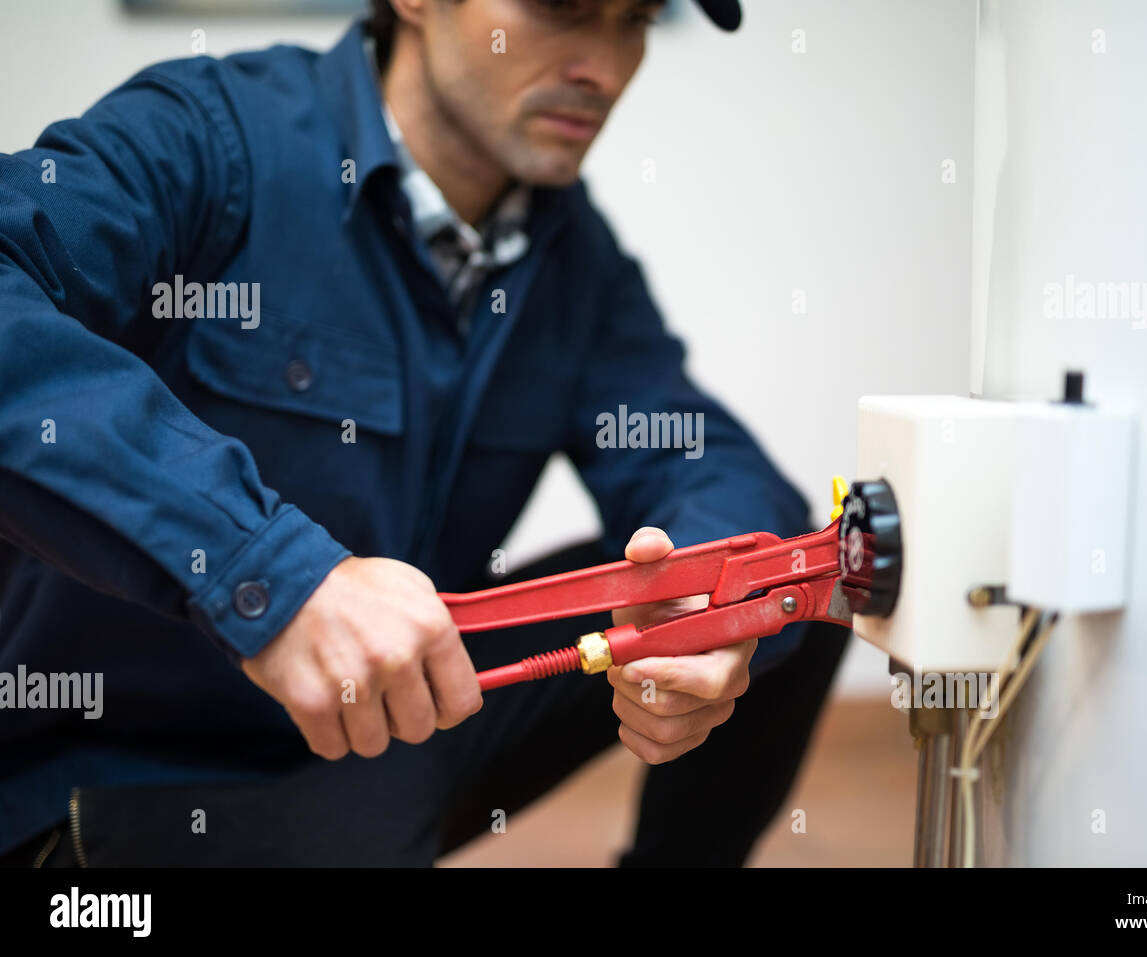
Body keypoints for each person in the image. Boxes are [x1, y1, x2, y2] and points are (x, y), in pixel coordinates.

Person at [0, 0, 848, 866]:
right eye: (564, 8)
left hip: (375, 749)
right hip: (101, 795)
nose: (604, 65)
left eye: (635, 18)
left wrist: (701, 614)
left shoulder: (566, 257)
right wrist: (267, 569)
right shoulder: (207, 141)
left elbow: (702, 456)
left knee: (781, 581)